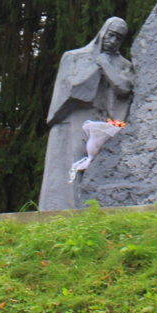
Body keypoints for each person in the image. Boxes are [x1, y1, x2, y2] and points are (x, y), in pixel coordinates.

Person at [38, 17, 133, 210]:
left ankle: (93, 212)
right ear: (103, 32)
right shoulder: (75, 57)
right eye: (111, 35)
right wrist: (96, 66)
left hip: (106, 126)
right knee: (69, 169)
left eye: (119, 38)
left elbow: (124, 88)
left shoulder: (123, 65)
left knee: (97, 170)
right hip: (74, 119)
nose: (113, 41)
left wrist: (105, 65)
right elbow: (72, 88)